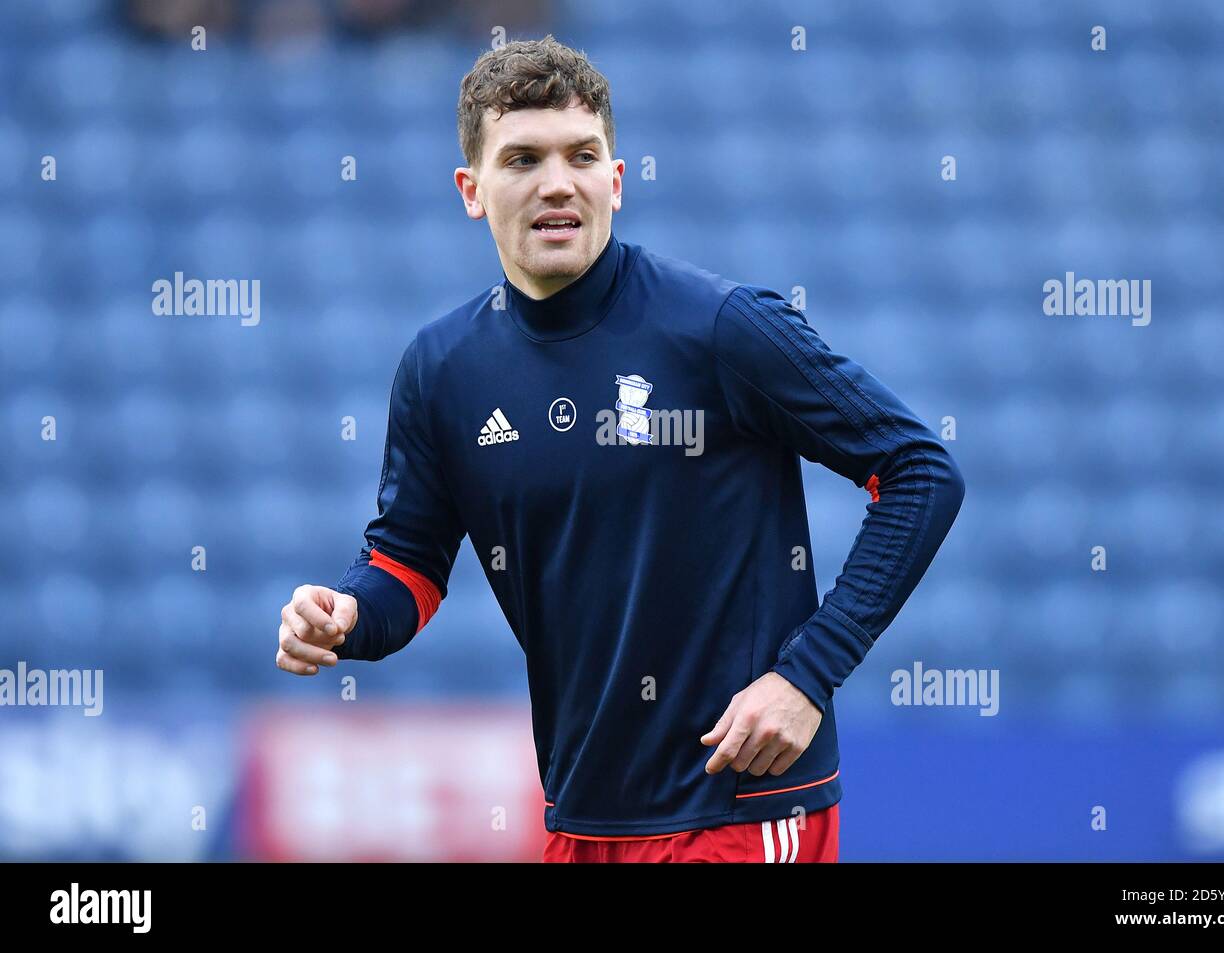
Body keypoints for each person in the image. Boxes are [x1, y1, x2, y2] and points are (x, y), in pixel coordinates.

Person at [276, 34, 965, 863]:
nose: (557, 182)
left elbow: (921, 471)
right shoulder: (442, 369)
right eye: (523, 158)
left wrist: (807, 673)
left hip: (738, 807)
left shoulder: (720, 328)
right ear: (472, 189)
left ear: (616, 179)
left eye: (582, 154)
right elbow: (409, 566)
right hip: (584, 817)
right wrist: (346, 614)